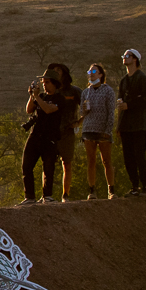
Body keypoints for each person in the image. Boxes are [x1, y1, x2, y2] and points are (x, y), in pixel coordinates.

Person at [18, 72, 65, 205]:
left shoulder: (59, 98)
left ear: (54, 83)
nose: (44, 85)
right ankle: (29, 196)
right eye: (43, 83)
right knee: (26, 165)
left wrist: (37, 97)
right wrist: (32, 96)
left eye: (47, 82)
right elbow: (29, 110)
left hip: (50, 137)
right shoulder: (41, 96)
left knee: (48, 168)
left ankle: (47, 195)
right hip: (35, 135)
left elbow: (48, 109)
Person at [117, 48, 146, 196]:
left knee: (140, 156)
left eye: (128, 55)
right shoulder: (123, 81)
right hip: (126, 125)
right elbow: (121, 103)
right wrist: (119, 125)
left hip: (139, 125)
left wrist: (130, 105)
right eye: (124, 55)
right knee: (128, 158)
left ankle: (145, 186)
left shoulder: (142, 78)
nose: (125, 57)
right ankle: (134, 186)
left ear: (135, 59)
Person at [79, 62, 119, 200]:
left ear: (101, 74)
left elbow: (111, 112)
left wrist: (108, 130)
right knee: (91, 160)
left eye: (94, 71)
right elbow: (81, 112)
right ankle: (92, 190)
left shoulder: (108, 91)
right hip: (88, 129)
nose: (91, 74)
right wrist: (84, 110)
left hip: (103, 130)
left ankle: (111, 190)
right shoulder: (85, 92)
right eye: (89, 72)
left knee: (106, 160)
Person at [45, 62, 81, 196]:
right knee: (48, 164)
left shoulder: (74, 91)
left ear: (65, 74)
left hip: (67, 132)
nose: (56, 72)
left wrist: (79, 122)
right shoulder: (50, 90)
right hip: (51, 132)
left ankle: (65, 195)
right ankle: (46, 195)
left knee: (67, 164)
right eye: (53, 70)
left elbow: (87, 105)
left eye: (58, 70)